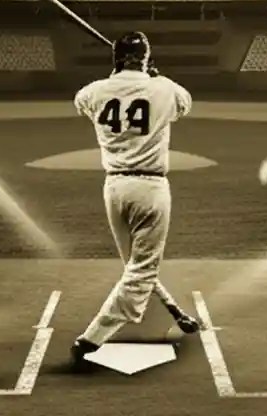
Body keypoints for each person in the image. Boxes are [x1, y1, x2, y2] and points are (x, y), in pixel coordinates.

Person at [69, 31, 203, 371]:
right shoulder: (165, 88)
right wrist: (153, 78)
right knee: (142, 269)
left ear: (115, 59)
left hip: (114, 189)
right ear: (146, 58)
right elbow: (184, 103)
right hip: (151, 189)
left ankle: (175, 310)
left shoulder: (93, 91)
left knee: (135, 265)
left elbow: (82, 101)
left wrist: (126, 79)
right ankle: (92, 337)